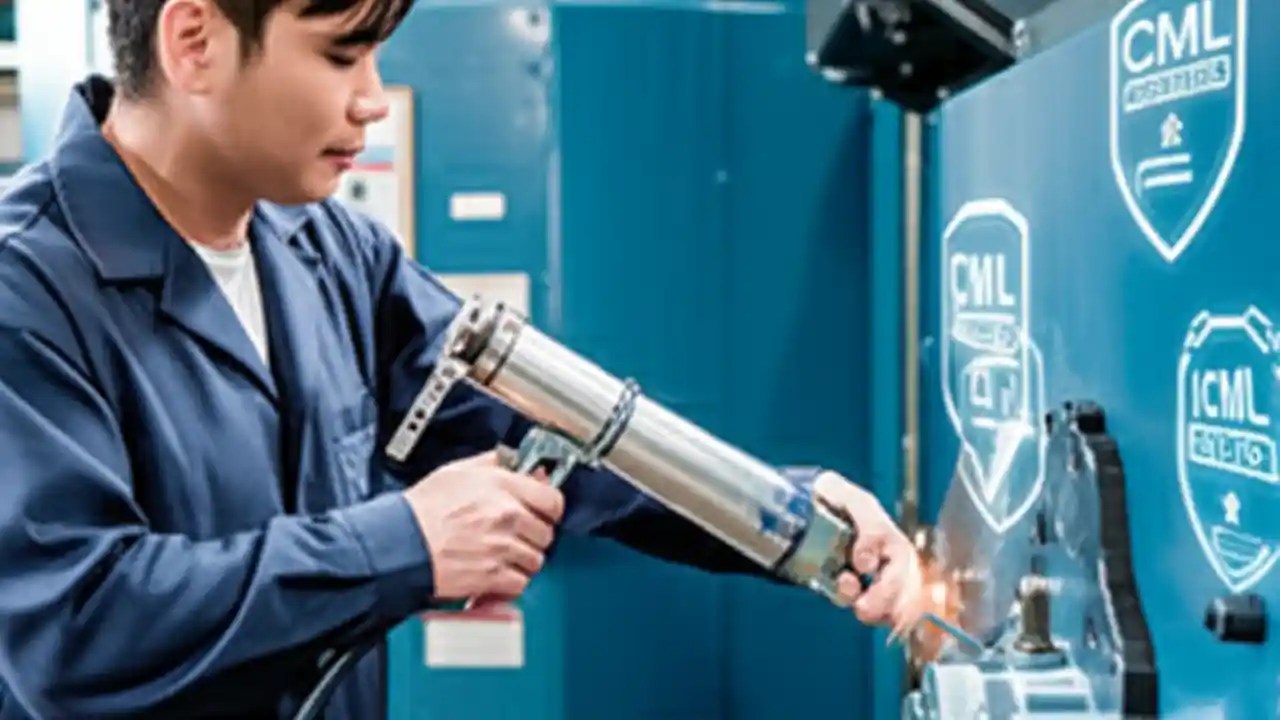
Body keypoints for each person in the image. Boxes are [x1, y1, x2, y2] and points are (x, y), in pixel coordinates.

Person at [0, 0, 925, 718]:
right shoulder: (27, 289)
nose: (370, 96)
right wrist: (404, 544)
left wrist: (792, 517)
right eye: (341, 52)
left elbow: (567, 434)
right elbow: (71, 631)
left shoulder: (330, 255)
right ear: (194, 39)